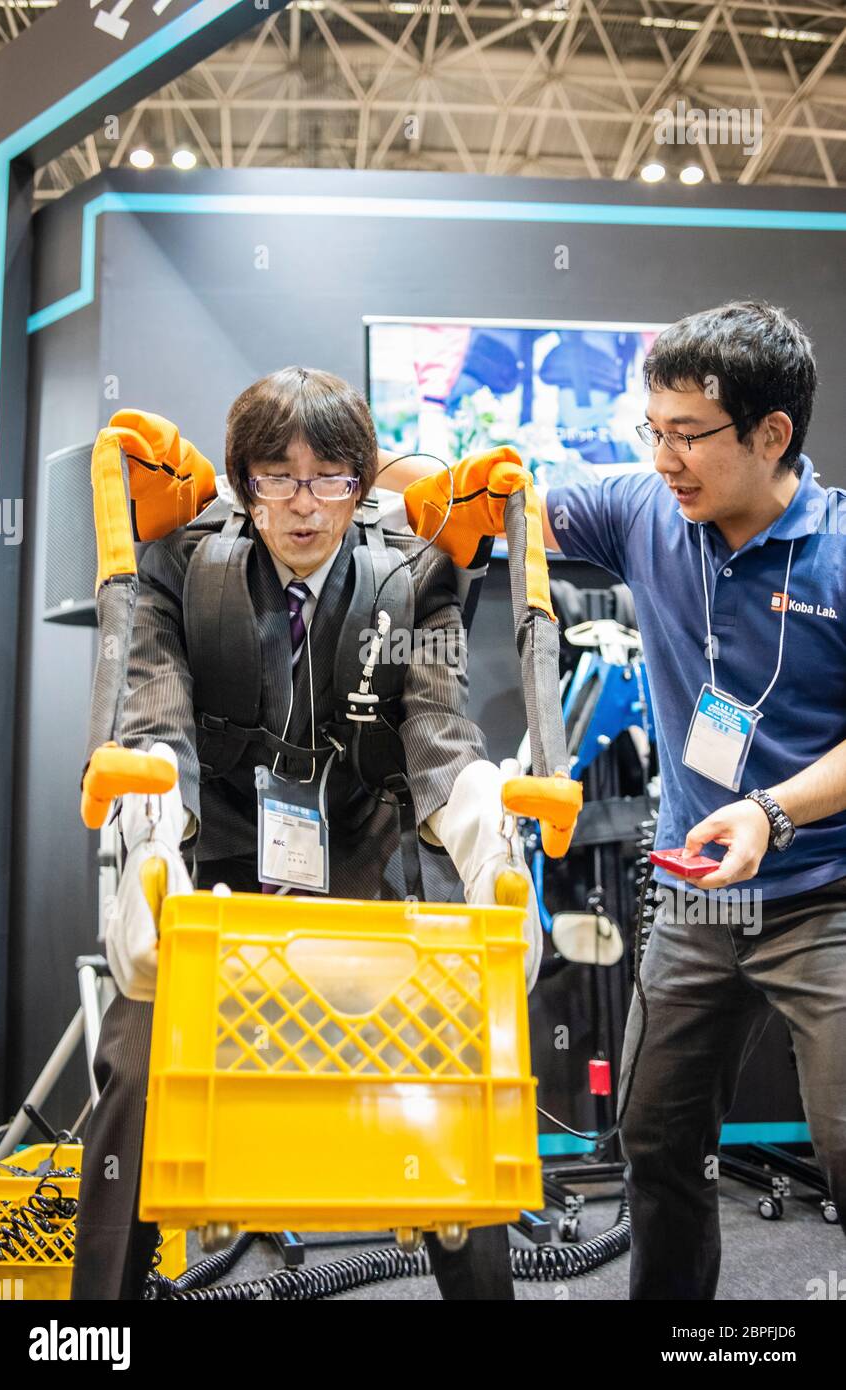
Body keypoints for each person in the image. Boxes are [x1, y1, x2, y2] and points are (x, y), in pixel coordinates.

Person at [381, 301, 846, 1299]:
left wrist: (772, 813)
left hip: (825, 896)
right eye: (655, 429)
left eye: (690, 434)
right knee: (656, 1139)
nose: (666, 456)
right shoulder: (644, 508)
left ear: (772, 434)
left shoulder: (841, 550)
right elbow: (499, 505)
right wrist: (397, 472)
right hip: (696, 895)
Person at [70, 366, 542, 1302]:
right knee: (130, 1070)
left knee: (456, 1067)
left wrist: (490, 841)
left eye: (329, 477)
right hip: (207, 885)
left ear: (362, 483)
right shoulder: (173, 564)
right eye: (274, 477)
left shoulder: (414, 572)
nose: (302, 504)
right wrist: (150, 846)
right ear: (241, 482)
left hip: (361, 874)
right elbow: (153, 721)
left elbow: (438, 730)